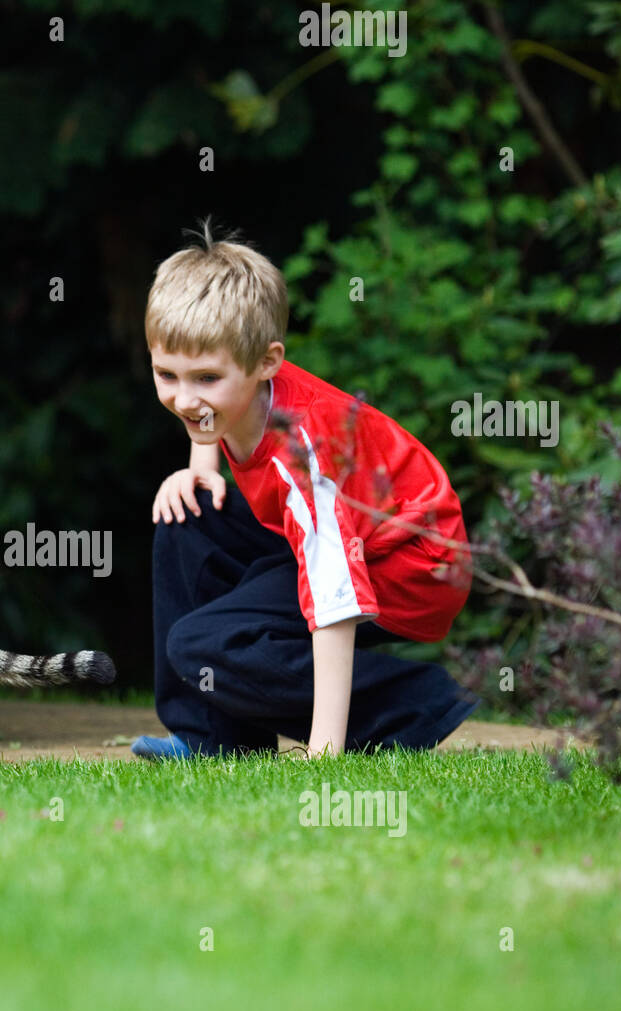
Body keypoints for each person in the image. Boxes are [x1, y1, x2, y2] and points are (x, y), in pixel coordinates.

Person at [133, 222, 481, 760]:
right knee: (187, 517)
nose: (183, 399)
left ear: (267, 361)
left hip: (410, 563)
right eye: (166, 374)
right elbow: (205, 417)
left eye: (205, 379)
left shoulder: (303, 451)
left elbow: (334, 597)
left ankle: (412, 703)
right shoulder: (237, 387)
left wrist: (325, 749)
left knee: (205, 643)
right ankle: (214, 741)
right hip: (352, 543)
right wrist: (201, 466)